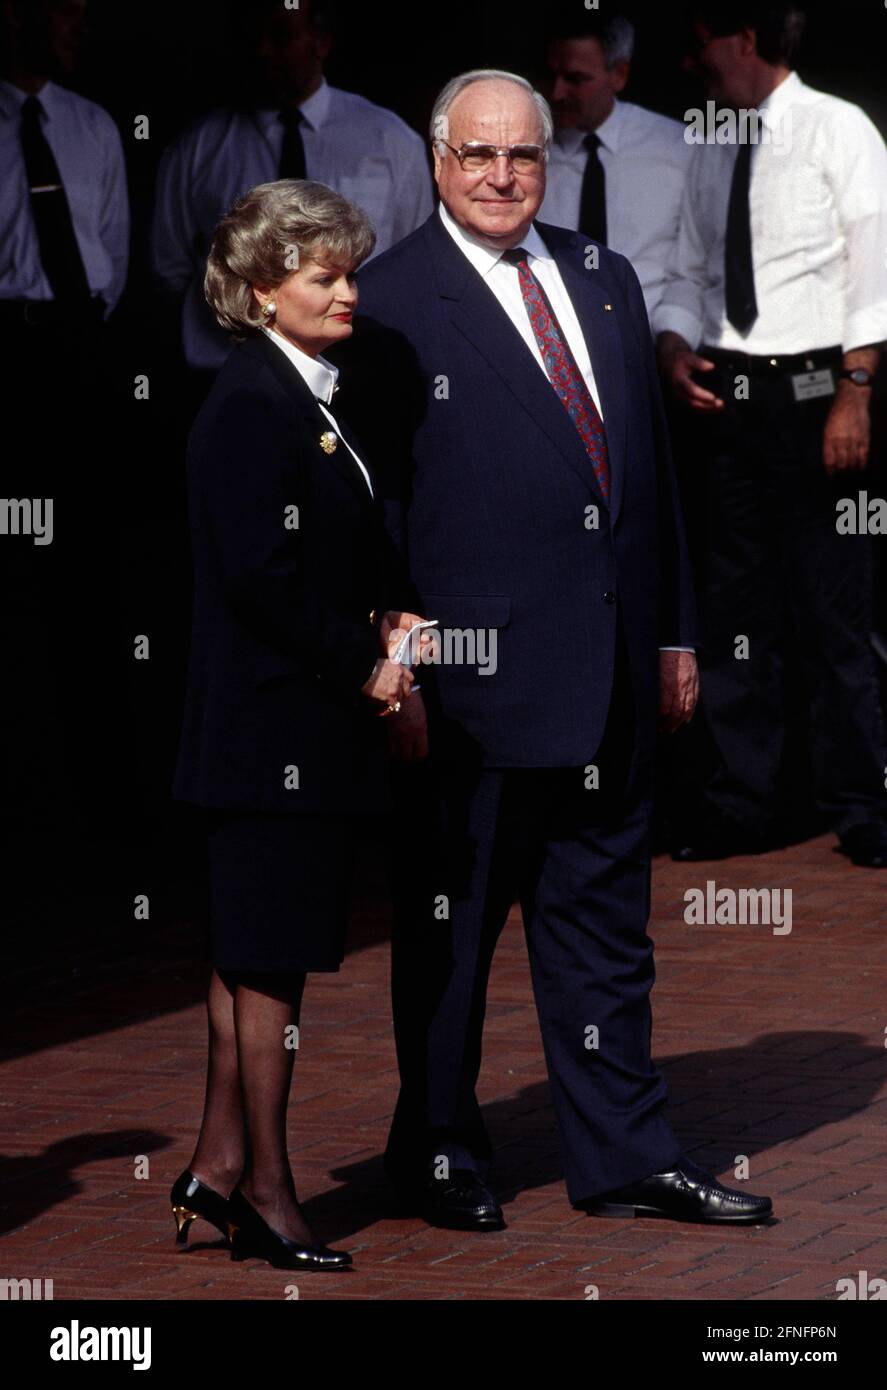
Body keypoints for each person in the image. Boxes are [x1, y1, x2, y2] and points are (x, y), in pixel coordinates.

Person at [335, 69, 773, 1230]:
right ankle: (433, 1148)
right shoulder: (382, 303)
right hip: (470, 690)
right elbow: (370, 512)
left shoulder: (603, 277)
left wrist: (674, 631)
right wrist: (394, 659)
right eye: (476, 155)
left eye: (520, 156)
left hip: (612, 675)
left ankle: (626, 1153)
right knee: (451, 933)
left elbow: (646, 480)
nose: (499, 177)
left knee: (603, 936)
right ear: (435, 161)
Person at [169, 179, 430, 1271]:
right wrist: (365, 661)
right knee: (265, 965)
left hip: (289, 726)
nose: (346, 294)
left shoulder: (310, 395)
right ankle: (271, 1193)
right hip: (266, 731)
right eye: (321, 277)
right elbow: (259, 581)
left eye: (348, 272)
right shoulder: (251, 400)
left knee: (250, 960)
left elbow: (321, 556)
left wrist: (383, 612)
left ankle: (215, 1171)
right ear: (258, 289)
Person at [655, 3, 887, 868]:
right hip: (728, 389)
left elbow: (874, 265)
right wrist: (673, 345)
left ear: (745, 40)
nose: (690, 63)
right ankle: (742, 803)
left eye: (698, 42)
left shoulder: (838, 128)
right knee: (734, 611)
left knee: (834, 607)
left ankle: (860, 801)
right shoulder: (710, 141)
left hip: (818, 385)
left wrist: (855, 393)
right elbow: (687, 269)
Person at [0, 0, 129, 833]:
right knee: (14, 564)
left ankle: (95, 799)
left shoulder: (94, 127)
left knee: (89, 568)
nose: (81, 19)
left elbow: (113, 255)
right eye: (64, 4)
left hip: (78, 360)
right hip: (4, 360)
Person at [150, 0, 433, 378]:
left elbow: (413, 265)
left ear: (321, 41)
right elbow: (169, 270)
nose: (263, 50)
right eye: (255, 36)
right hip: (225, 372)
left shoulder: (391, 141)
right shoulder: (198, 148)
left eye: (281, 35)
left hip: (360, 373)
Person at [539, 11, 692, 322]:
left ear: (619, 74)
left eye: (575, 79)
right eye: (551, 75)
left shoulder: (680, 148)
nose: (556, 93)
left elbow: (696, 268)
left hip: (652, 347)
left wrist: (675, 338)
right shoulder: (523, 152)